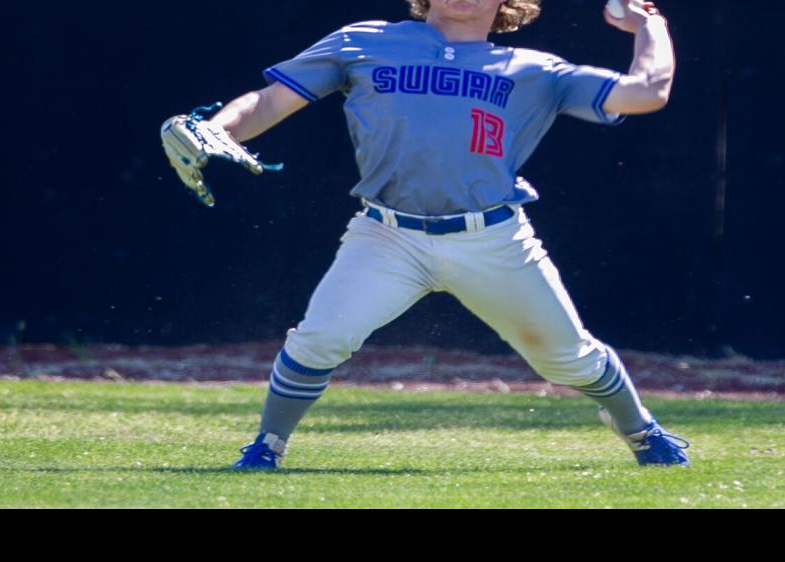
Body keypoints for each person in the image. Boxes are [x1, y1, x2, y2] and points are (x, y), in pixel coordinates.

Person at [168, 0, 689, 468]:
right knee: (319, 338)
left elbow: (647, 93)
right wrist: (218, 128)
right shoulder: (364, 41)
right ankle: (267, 445)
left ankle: (642, 431)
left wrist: (650, 26)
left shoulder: (536, 70)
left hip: (492, 237)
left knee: (567, 358)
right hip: (387, 233)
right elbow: (269, 102)